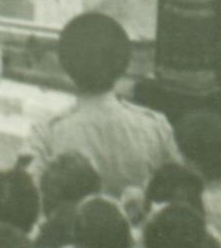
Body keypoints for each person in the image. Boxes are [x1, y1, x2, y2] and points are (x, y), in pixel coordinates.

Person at [29, 14, 174, 201]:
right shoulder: (156, 127)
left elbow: (29, 200)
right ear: (122, 63)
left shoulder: (48, 132)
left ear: (66, 65)